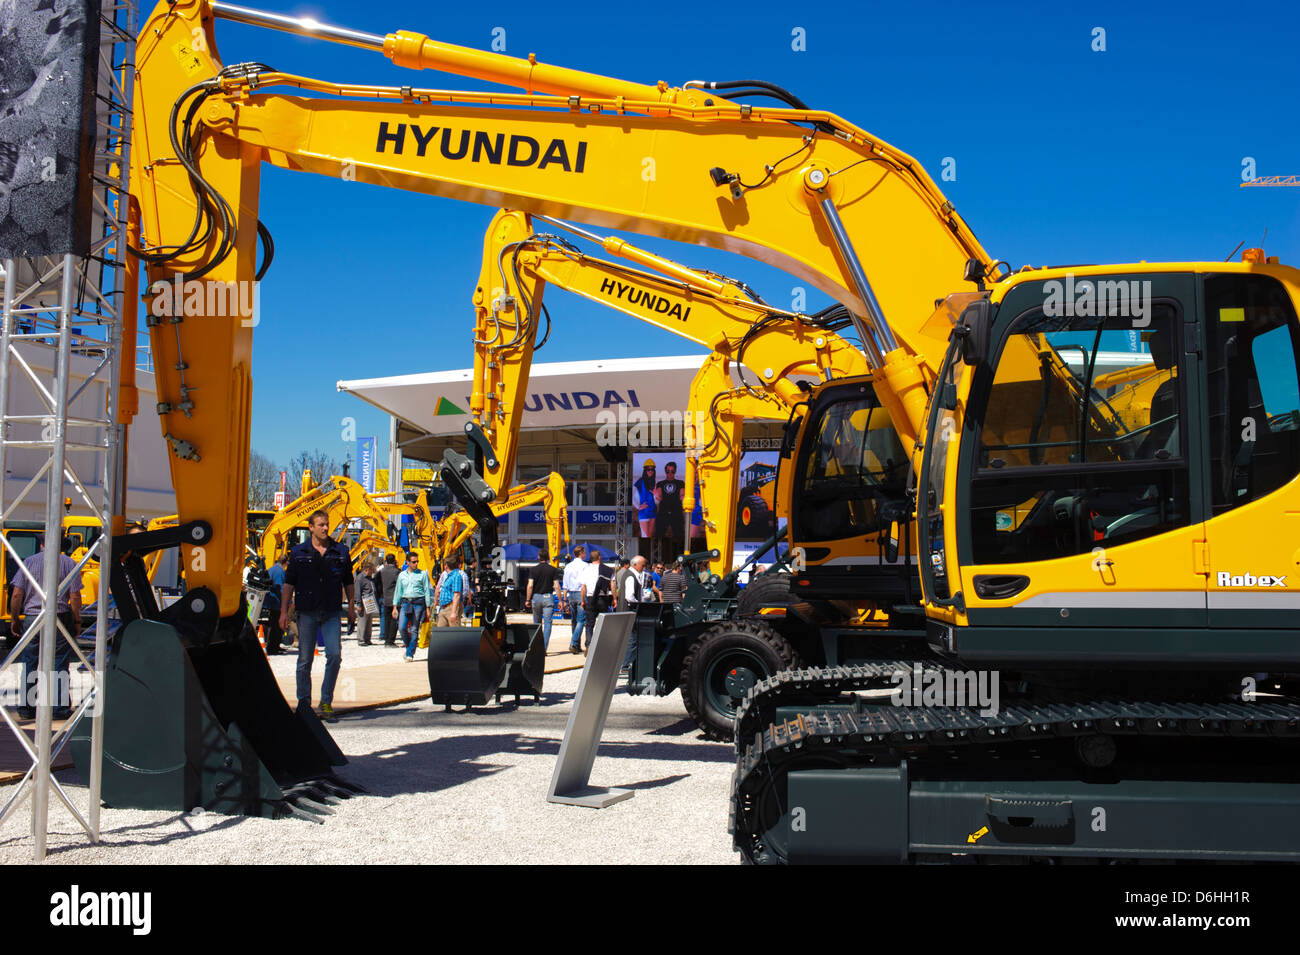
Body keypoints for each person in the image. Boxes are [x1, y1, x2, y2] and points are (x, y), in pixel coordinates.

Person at [280, 510, 354, 721]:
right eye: (321, 525)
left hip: (331, 611)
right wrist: (284, 611)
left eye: (327, 524)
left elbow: (348, 580)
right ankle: (304, 703)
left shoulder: (340, 551)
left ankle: (326, 701)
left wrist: (350, 607)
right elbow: (288, 583)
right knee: (304, 659)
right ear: (310, 527)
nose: (325, 528)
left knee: (334, 655)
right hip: (307, 611)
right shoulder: (298, 552)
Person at [10, 534, 80, 720]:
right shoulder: (69, 563)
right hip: (60, 616)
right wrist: (77, 620)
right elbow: (74, 596)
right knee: (60, 663)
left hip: (32, 617)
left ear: (41, 543)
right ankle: (59, 708)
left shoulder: (29, 562)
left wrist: (15, 618)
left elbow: (17, 594)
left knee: (30, 662)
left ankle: (27, 708)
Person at [393, 552, 433, 660]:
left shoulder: (422, 574)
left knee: (415, 628)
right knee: (402, 627)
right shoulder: (402, 575)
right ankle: (409, 647)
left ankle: (410, 653)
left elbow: (426, 591)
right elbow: (398, 591)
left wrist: (428, 607)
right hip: (405, 602)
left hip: (419, 603)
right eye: (414, 562)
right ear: (408, 562)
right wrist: (394, 606)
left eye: (417, 561)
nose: (416, 564)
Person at [525, 547, 561, 647]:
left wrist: (528, 599)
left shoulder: (533, 570)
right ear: (548, 557)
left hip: (536, 597)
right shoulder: (553, 570)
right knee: (548, 623)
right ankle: (544, 647)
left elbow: (530, 585)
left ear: (538, 557)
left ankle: (535, 646)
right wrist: (561, 600)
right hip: (548, 597)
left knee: (536, 623)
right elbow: (557, 586)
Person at [581, 548, 613, 650]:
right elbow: (612, 585)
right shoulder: (607, 569)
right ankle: (603, 645)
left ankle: (589, 645)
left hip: (591, 598)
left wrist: (583, 601)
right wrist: (615, 599)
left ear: (591, 558)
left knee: (589, 624)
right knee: (604, 623)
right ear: (600, 558)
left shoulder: (586, 569)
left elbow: (583, 588)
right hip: (603, 598)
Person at [562, 545, 587, 653]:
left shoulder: (568, 566)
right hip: (580, 592)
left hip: (571, 593)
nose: (585, 554)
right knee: (581, 621)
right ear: (581, 553)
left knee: (574, 621)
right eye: (584, 552)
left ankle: (576, 645)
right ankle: (573, 643)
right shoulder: (585, 565)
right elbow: (584, 583)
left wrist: (564, 599)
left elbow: (565, 584)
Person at [434, 555, 469, 629]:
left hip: (451, 607)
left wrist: (453, 612)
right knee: (440, 632)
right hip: (444, 607)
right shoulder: (449, 576)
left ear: (446, 566)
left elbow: (457, 595)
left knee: (454, 633)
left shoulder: (456, 576)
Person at [655, 461, 685, 539]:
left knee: (679, 535)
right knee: (659, 534)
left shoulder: (680, 483)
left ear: (675, 471)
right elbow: (659, 496)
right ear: (665, 471)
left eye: (672, 471)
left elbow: (682, 495)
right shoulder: (660, 483)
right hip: (663, 512)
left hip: (677, 512)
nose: (670, 473)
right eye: (668, 471)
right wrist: (656, 495)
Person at [352, 559, 377, 645]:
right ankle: (361, 639)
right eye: (372, 570)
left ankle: (367, 638)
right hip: (363, 600)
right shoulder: (360, 578)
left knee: (369, 621)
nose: (373, 571)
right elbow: (358, 592)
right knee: (362, 620)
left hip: (370, 600)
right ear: (367, 570)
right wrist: (358, 604)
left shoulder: (370, 578)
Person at [378, 552, 400, 647]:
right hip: (394, 599)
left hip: (385, 597)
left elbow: (377, 583)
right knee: (394, 620)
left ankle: (386, 638)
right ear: (394, 560)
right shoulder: (396, 572)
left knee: (386, 619)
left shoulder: (382, 571)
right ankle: (390, 640)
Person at [633, 459, 657, 537]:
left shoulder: (654, 481)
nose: (650, 471)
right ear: (645, 470)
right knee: (645, 536)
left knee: (649, 536)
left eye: (652, 469)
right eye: (648, 469)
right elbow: (631, 493)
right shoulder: (640, 481)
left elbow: (655, 498)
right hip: (644, 513)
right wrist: (638, 506)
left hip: (653, 512)